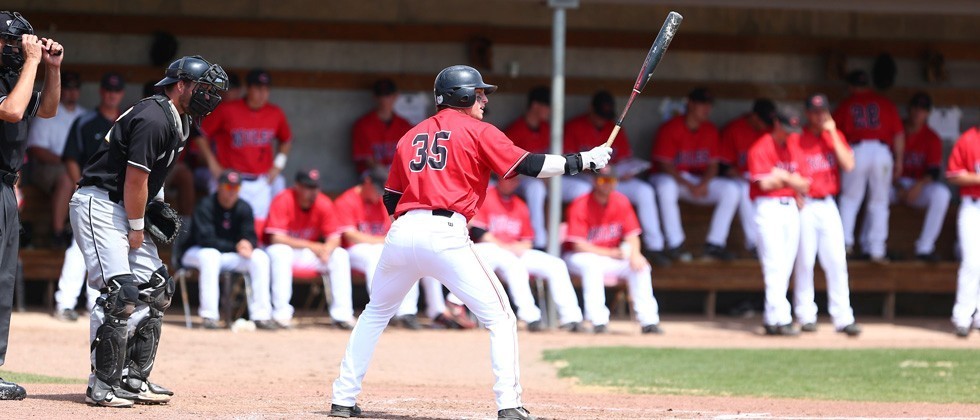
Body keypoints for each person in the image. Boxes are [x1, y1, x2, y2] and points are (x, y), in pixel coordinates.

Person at [330, 64, 611, 420]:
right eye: (478, 94)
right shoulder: (479, 130)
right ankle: (509, 405)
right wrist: (582, 160)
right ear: (460, 96)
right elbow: (529, 165)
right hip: (445, 231)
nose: (484, 101)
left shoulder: (410, 135)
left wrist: (411, 227)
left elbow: (391, 196)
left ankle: (342, 397)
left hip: (402, 231)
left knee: (374, 314)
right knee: (501, 318)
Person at [69, 55, 228, 407]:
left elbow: (152, 178)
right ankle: (102, 385)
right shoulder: (154, 117)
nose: (209, 96)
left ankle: (133, 379)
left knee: (157, 287)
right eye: (203, 88)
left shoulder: (178, 120)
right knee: (120, 293)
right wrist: (138, 226)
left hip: (123, 204)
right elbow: (135, 179)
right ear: (180, 85)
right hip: (100, 204)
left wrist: (153, 206)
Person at [0, 10, 64, 401]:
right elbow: (11, 110)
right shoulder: (14, 79)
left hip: (7, 187)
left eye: (17, 42)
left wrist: (51, 68)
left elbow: (48, 108)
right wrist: (32, 63)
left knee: (2, 280)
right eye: (8, 41)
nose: (15, 48)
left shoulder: (15, 77)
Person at [52, 71, 126, 322]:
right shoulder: (85, 121)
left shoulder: (127, 122)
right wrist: (79, 185)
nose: (112, 95)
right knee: (79, 247)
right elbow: (71, 157)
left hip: (117, 196)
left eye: (117, 90)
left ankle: (98, 304)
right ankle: (65, 303)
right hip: (90, 192)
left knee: (110, 250)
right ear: (102, 91)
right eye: (108, 90)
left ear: (122, 93)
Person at [565, 91, 670, 266]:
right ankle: (591, 241)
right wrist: (593, 169)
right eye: (599, 115)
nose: (602, 120)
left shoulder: (614, 129)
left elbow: (625, 159)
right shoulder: (574, 127)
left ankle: (655, 246)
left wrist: (627, 171)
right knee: (584, 191)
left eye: (605, 116)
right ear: (591, 109)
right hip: (586, 177)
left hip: (612, 179)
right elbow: (566, 161)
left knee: (644, 191)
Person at [470, 175, 585, 332]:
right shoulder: (486, 196)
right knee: (514, 265)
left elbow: (528, 241)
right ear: (501, 178)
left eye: (515, 180)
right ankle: (530, 317)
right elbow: (479, 232)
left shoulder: (519, 205)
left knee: (556, 265)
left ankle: (571, 318)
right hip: (490, 252)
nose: (513, 183)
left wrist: (518, 247)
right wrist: (506, 247)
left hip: (513, 251)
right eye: (509, 178)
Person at [334, 169, 439, 330]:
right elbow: (350, 236)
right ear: (367, 182)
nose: (379, 193)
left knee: (409, 255)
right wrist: (381, 241)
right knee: (375, 254)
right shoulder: (347, 200)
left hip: (380, 247)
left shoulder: (383, 202)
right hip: (354, 250)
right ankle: (379, 311)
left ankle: (406, 312)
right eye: (377, 188)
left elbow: (394, 229)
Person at [792, 94, 861, 336]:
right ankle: (806, 315)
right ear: (807, 113)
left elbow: (849, 165)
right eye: (814, 111)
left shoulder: (834, 135)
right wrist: (792, 192)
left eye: (822, 111)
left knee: (837, 261)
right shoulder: (797, 138)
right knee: (805, 261)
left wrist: (832, 133)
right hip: (806, 205)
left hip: (829, 203)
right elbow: (789, 168)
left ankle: (843, 317)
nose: (819, 116)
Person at [563, 165, 661, 334]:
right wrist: (611, 253)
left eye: (611, 180)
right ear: (594, 182)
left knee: (641, 266)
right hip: (579, 256)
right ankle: (597, 321)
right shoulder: (581, 204)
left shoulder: (621, 201)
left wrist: (635, 255)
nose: (607, 184)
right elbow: (578, 245)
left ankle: (649, 321)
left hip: (609, 257)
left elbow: (632, 235)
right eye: (603, 180)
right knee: (592, 265)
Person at [650, 87, 739, 261]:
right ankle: (675, 243)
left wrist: (703, 184)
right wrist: (691, 186)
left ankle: (715, 243)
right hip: (672, 179)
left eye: (709, 104)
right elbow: (665, 165)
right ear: (690, 104)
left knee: (731, 189)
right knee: (667, 187)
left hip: (697, 181)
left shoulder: (710, 129)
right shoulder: (671, 127)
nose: (707, 108)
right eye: (702, 103)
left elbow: (713, 165)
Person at [197, 68, 292, 225]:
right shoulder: (228, 109)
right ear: (248, 88)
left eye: (266, 89)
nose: (262, 93)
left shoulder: (275, 113)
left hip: (261, 181)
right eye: (258, 88)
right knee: (225, 226)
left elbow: (286, 140)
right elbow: (200, 134)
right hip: (231, 178)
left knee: (256, 227)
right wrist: (212, 164)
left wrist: (278, 165)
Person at [181, 170, 273, 330]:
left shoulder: (244, 207)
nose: (232, 191)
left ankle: (261, 316)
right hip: (196, 252)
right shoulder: (205, 205)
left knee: (260, 257)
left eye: (236, 187)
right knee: (210, 256)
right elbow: (205, 240)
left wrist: (247, 244)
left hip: (227, 255)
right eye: (228, 187)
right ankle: (209, 316)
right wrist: (236, 246)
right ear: (219, 186)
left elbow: (250, 235)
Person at [265, 169, 354, 330]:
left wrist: (327, 249)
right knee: (280, 252)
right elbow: (276, 238)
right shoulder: (284, 199)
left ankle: (343, 315)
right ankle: (281, 314)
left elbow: (335, 238)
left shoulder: (323, 202)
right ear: (297, 186)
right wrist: (312, 246)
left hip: (306, 253)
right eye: (308, 187)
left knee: (339, 255)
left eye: (315, 187)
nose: (313, 192)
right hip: (286, 251)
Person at [748, 109, 809, 336]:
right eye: (786, 128)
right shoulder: (761, 146)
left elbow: (805, 184)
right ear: (776, 123)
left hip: (791, 208)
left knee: (785, 267)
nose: (790, 133)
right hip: (768, 208)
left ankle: (771, 318)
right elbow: (764, 184)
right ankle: (782, 319)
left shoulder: (793, 146)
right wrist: (791, 181)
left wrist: (781, 176)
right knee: (774, 265)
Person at [833, 70, 905, 263]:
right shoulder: (884, 103)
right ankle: (877, 250)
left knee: (850, 199)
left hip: (857, 151)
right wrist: (899, 160)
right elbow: (898, 134)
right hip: (882, 152)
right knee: (879, 202)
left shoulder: (847, 103)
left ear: (851, 86)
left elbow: (834, 133)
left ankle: (845, 245)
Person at [25, 70, 85, 245]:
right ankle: (58, 233)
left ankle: (80, 233)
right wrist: (67, 162)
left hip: (79, 168)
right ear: (60, 88)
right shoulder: (48, 112)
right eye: (67, 87)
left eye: (75, 88)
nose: (72, 92)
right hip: (48, 166)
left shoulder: (84, 115)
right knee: (67, 179)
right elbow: (35, 149)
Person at [889, 92, 950, 261]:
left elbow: (934, 171)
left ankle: (925, 247)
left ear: (928, 113)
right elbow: (883, 165)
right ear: (909, 109)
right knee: (874, 190)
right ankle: (872, 246)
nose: (918, 112)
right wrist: (898, 186)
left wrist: (918, 186)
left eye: (923, 109)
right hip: (892, 185)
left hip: (917, 186)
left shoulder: (932, 137)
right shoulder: (896, 130)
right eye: (915, 107)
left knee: (942, 194)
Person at [720, 98, 775, 256]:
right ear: (754, 117)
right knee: (744, 189)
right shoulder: (735, 129)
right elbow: (723, 166)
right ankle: (754, 243)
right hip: (740, 178)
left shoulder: (771, 131)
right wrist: (745, 177)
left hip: (764, 177)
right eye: (763, 121)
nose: (766, 125)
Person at [504, 86, 551, 249]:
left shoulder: (546, 129)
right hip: (517, 179)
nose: (550, 110)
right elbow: (503, 166)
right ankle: (539, 242)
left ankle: (554, 238)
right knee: (536, 188)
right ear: (535, 105)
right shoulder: (516, 130)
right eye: (546, 106)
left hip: (542, 177)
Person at [946, 125, 980, 337]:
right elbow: (953, 174)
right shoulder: (968, 139)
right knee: (972, 262)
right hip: (973, 205)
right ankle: (962, 318)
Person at [350, 78, 412, 174]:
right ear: (375, 97)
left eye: (387, 95)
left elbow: (410, 158)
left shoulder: (405, 126)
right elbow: (369, 161)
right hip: (373, 175)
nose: (384, 99)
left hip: (398, 173)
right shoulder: (362, 125)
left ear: (395, 96)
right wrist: (389, 177)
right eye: (380, 95)